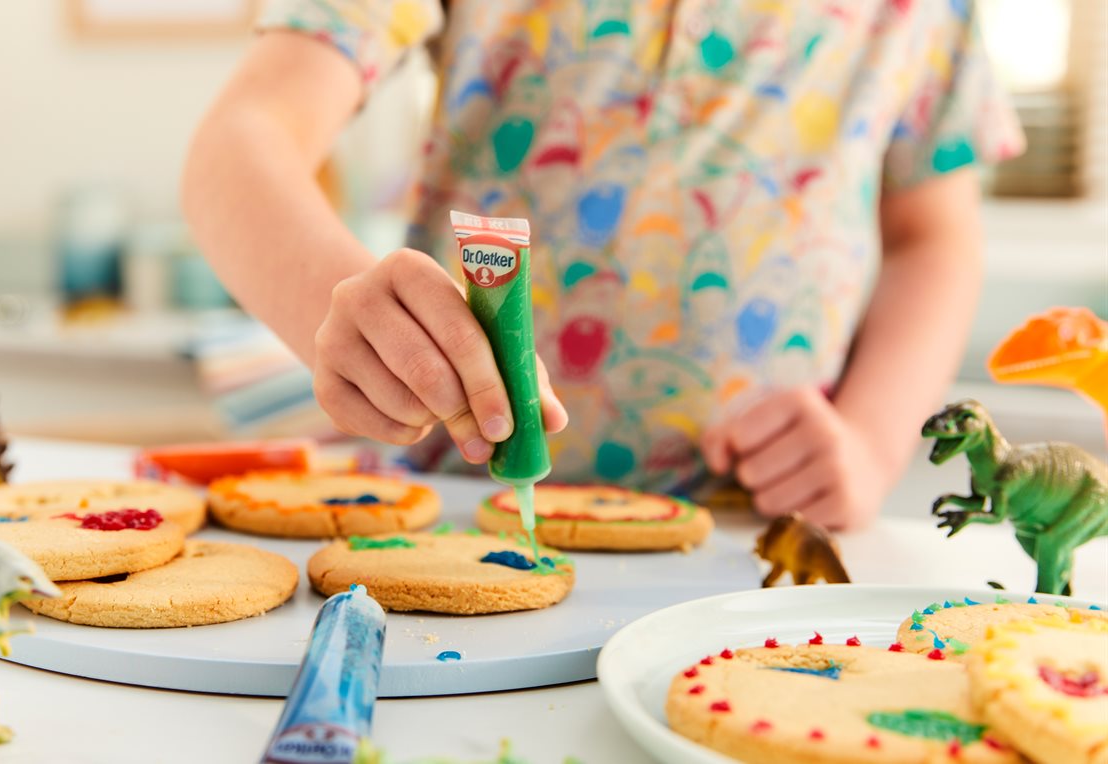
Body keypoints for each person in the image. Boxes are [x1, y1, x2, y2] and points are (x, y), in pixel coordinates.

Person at [182, 1, 1023, 529]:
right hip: (463, 506)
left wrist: (871, 446)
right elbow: (240, 140)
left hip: (756, 524)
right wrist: (342, 304)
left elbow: (934, 237)